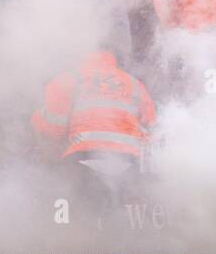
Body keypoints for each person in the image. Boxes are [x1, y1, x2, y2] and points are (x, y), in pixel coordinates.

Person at [31, 49, 157, 206]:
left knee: (68, 214)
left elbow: (54, 130)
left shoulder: (70, 79)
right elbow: (153, 130)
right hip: (130, 163)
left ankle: (57, 219)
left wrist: (36, 119)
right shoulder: (135, 84)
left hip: (82, 159)